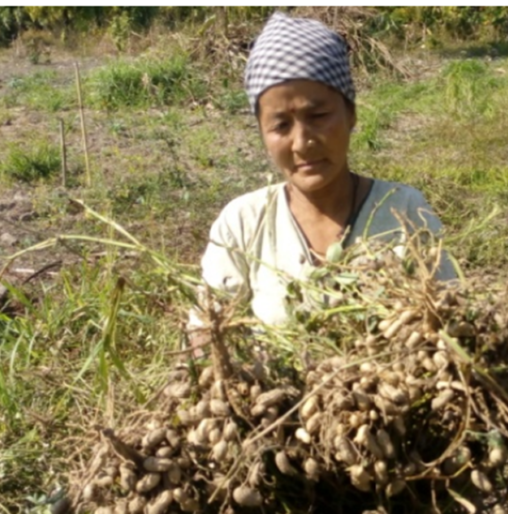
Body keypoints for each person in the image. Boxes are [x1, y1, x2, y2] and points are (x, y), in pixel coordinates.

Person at [189, 12, 456, 342]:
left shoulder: (404, 211)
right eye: (280, 126)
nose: (303, 143)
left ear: (351, 114)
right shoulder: (244, 223)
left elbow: (449, 318)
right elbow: (206, 335)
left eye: (318, 116)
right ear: (261, 132)